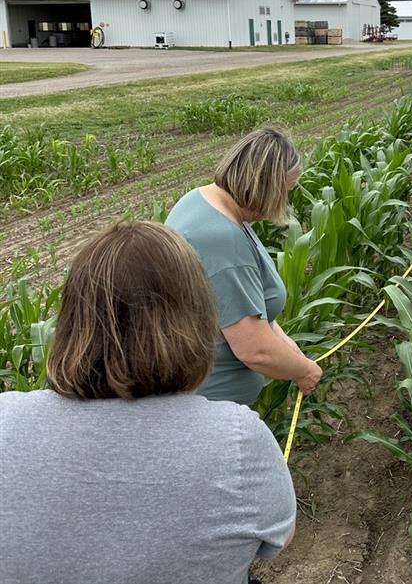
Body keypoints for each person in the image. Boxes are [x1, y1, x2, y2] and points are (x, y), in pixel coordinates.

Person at [0, 222, 296, 584]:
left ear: (71, 319)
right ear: (197, 320)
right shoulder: (237, 440)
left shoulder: (6, 418)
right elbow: (276, 540)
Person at [166, 128, 322, 406]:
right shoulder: (221, 240)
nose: (283, 203)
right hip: (210, 408)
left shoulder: (202, 201)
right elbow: (256, 351)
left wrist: (291, 353)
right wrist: (305, 370)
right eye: (283, 192)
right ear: (265, 187)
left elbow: (247, 309)